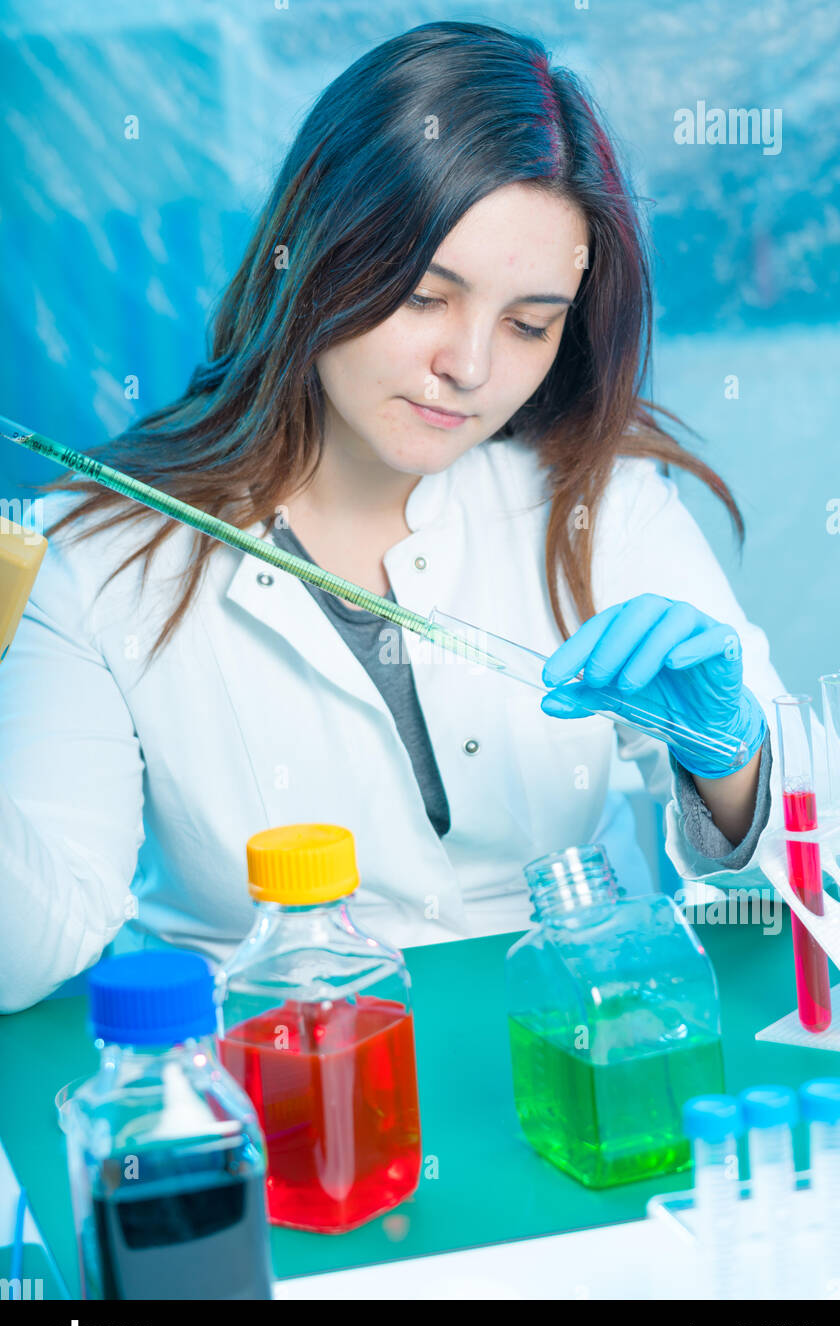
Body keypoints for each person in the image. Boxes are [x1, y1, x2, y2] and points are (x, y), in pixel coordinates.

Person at [0, 22, 795, 1013]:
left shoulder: (599, 502)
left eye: (528, 323)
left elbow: (820, 877)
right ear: (313, 250)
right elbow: (25, 959)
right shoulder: (94, 556)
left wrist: (738, 767)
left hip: (580, 1047)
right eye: (425, 296)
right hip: (272, 1089)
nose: (469, 367)